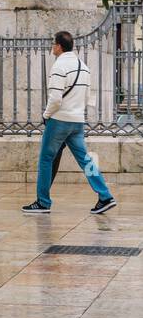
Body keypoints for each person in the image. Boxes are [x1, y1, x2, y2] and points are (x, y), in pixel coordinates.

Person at [23, 31, 116, 215]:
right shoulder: (84, 67)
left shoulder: (59, 67)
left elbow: (56, 98)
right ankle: (105, 196)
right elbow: (88, 97)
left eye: (53, 44)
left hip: (59, 120)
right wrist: (77, 111)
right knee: (85, 160)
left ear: (58, 46)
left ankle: (43, 202)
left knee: (45, 160)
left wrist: (46, 114)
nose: (51, 47)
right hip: (77, 121)